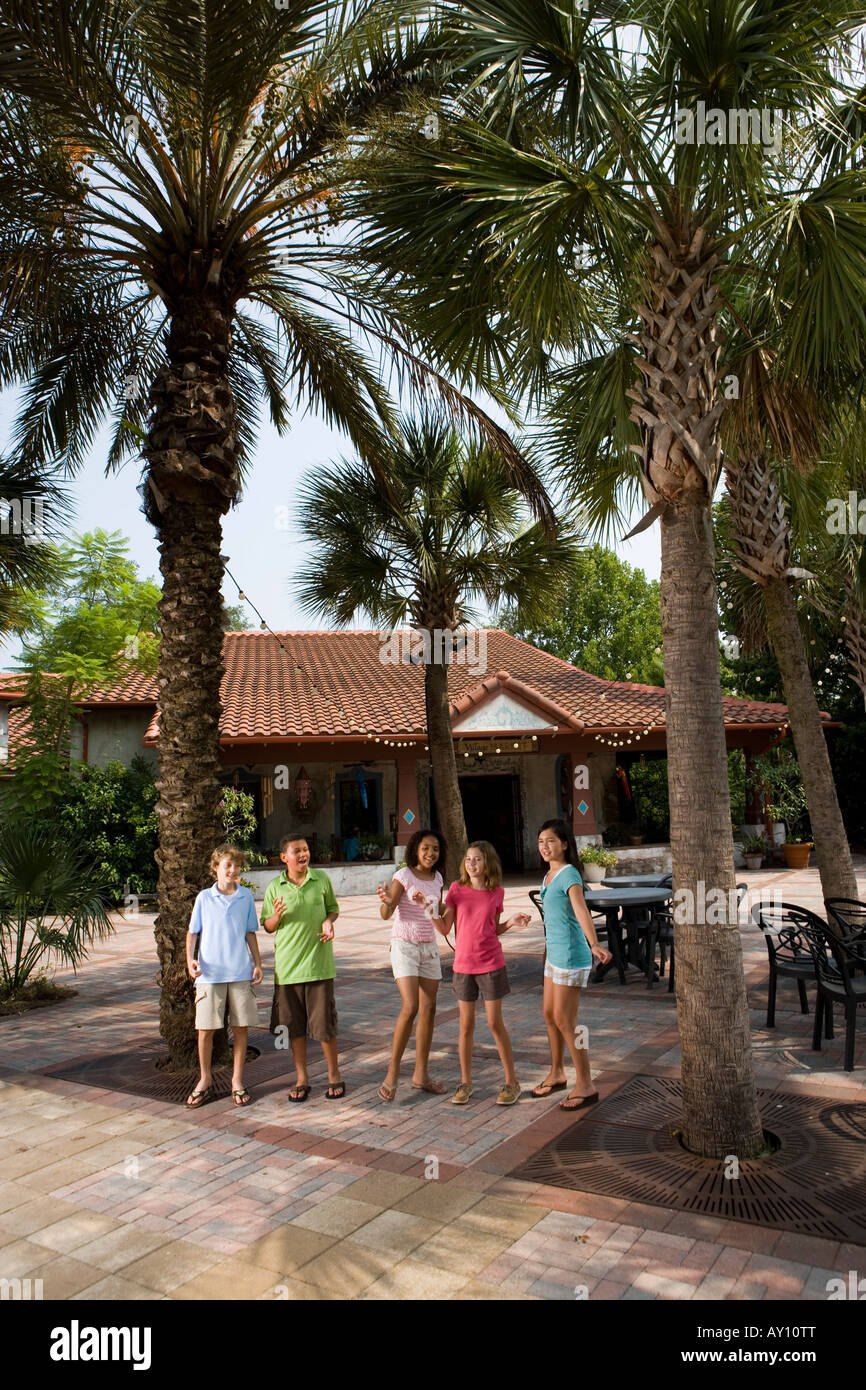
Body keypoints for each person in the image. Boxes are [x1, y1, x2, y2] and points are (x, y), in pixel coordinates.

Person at [428, 840, 529, 1106]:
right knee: (466, 1026)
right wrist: (427, 910)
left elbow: (493, 929)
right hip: (463, 966)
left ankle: (511, 1082)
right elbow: (444, 927)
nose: (471, 864)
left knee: (495, 1024)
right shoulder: (456, 890)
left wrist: (511, 923)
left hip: (491, 964)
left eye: (477, 859)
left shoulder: (497, 892)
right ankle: (465, 1083)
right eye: (468, 859)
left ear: (488, 864)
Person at [531, 819, 611, 1111]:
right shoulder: (550, 875)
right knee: (550, 1016)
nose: (544, 847)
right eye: (541, 842)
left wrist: (594, 945)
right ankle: (557, 1073)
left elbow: (581, 911)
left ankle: (586, 1083)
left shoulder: (569, 875)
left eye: (550, 841)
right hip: (554, 955)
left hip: (571, 955)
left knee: (566, 1021)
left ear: (565, 844)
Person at [262, 833, 344, 1102]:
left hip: (319, 966)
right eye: (296, 851)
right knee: (294, 1028)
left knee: (324, 1026)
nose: (303, 854)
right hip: (287, 969)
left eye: (305, 849)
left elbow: (332, 908)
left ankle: (334, 1075)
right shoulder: (275, 886)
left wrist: (329, 922)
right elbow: (268, 926)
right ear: (284, 857)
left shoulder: (320, 879)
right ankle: (302, 1078)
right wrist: (276, 915)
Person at [185, 844, 262, 1109]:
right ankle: (204, 1079)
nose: (233, 870)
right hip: (209, 975)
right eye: (227, 865)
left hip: (240, 972)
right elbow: (193, 932)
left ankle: (237, 1081)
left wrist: (258, 963)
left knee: (241, 1028)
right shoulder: (204, 898)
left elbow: (250, 932)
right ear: (215, 868)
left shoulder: (246, 898)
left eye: (237, 865)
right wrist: (189, 961)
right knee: (205, 1030)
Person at [376, 828, 447, 1102]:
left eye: (436, 850)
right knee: (411, 1006)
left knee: (429, 1009)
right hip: (404, 945)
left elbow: (435, 916)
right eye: (426, 848)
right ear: (416, 849)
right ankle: (393, 1072)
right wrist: (385, 901)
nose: (430, 853)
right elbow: (387, 912)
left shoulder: (438, 878)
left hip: (429, 947)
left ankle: (421, 1074)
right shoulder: (403, 875)